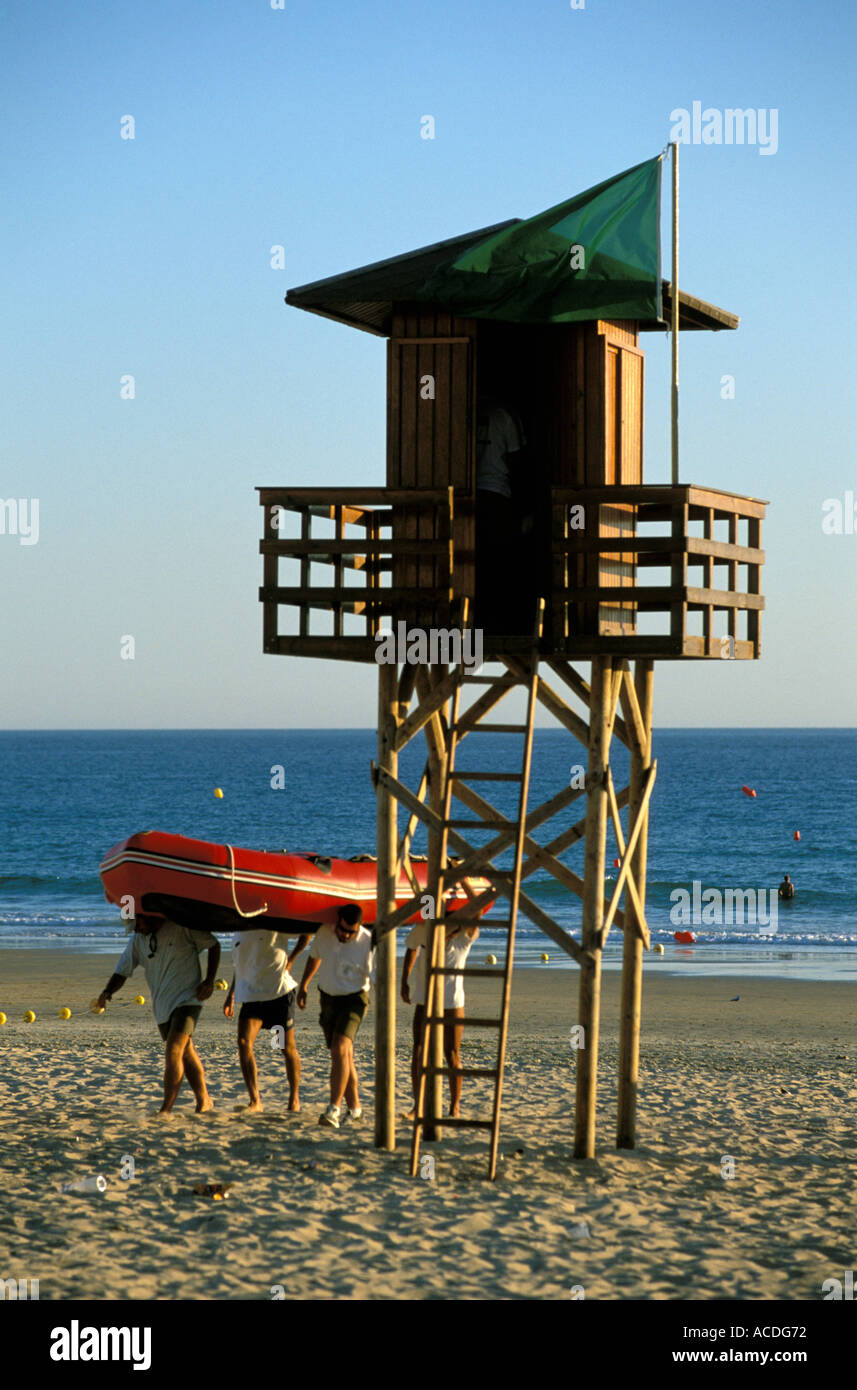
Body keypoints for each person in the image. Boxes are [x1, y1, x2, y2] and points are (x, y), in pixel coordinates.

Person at [96, 912, 220, 1115]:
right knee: (186, 1052)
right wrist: (107, 992)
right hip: (163, 1005)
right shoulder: (138, 940)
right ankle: (204, 1099)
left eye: (137, 924)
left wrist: (209, 980)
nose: (136, 929)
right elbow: (122, 971)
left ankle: (166, 1110)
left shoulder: (181, 926)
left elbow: (213, 944)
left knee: (173, 1050)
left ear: (149, 916)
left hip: (189, 999)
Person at [297, 903, 374, 1130]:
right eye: (343, 930)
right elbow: (315, 956)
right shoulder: (324, 932)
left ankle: (333, 1109)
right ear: (337, 922)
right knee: (343, 1056)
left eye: (351, 931)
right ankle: (356, 1109)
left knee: (340, 1048)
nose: (346, 935)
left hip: (355, 1000)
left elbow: (377, 976)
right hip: (328, 999)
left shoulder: (367, 942)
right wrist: (304, 985)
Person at [223, 929, 311, 1113]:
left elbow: (306, 933)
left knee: (283, 1047)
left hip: (278, 994)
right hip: (251, 997)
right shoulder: (239, 932)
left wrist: (291, 960)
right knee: (244, 1042)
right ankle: (255, 1101)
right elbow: (240, 966)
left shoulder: (273, 923)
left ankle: (294, 1099)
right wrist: (231, 994)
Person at [401, 919, 480, 1118]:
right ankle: (418, 1105)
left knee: (452, 1054)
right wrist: (404, 981)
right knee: (418, 1050)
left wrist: (464, 885)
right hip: (424, 999)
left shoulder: (464, 937)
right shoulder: (424, 929)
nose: (447, 933)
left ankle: (454, 1107)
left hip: (452, 1003)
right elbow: (411, 948)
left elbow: (476, 914)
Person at [475, 399, 527, 634]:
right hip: (497, 495)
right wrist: (525, 508)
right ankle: (501, 623)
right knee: (501, 560)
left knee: (479, 561)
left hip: (471, 497)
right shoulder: (505, 416)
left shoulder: (471, 414)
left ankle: (478, 620)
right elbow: (517, 462)